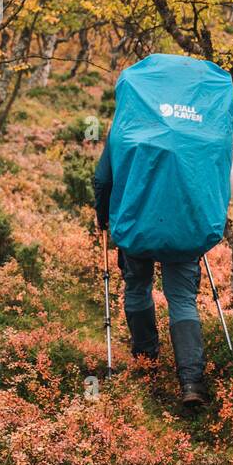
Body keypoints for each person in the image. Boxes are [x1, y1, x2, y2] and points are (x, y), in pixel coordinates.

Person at [92, 137, 208, 409]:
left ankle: (146, 365)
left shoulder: (127, 125)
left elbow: (102, 179)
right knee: (181, 299)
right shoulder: (191, 125)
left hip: (135, 223)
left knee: (137, 287)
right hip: (183, 225)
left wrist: (103, 216)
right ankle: (192, 383)